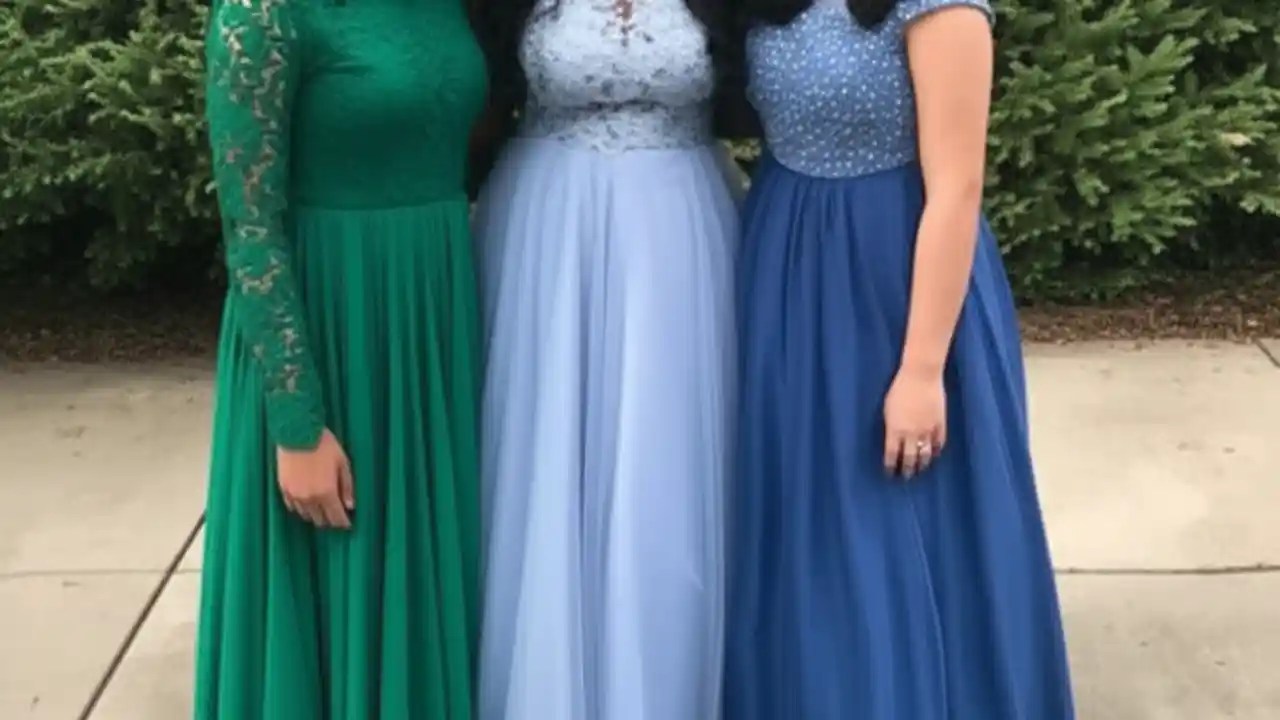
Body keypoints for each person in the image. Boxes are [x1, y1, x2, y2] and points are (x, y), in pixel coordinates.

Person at [724, 0, 1075, 718]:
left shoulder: (938, 3)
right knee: (806, 525)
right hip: (785, 266)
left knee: (896, 520)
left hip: (897, 285)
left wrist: (920, 371)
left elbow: (957, 189)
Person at [195, 1, 486, 717]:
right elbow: (251, 231)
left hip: (431, 329)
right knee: (337, 581)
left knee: (422, 578)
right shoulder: (262, 11)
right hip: (329, 333)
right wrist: (297, 422)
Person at [470, 0, 746, 717]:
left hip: (682, 235)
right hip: (548, 235)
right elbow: (477, 85)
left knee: (667, 468)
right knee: (546, 461)